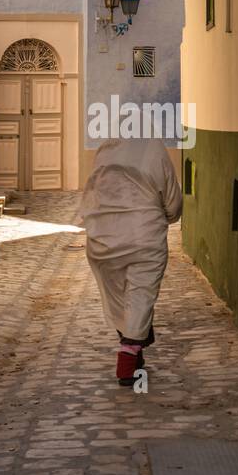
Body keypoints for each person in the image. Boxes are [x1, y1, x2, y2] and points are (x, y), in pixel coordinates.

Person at [76, 137, 183, 385]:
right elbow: (173, 203)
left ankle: (136, 349)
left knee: (120, 299)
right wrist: (164, 216)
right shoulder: (154, 149)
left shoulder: (105, 151)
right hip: (144, 237)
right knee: (140, 295)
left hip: (103, 240)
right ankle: (128, 357)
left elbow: (93, 192)